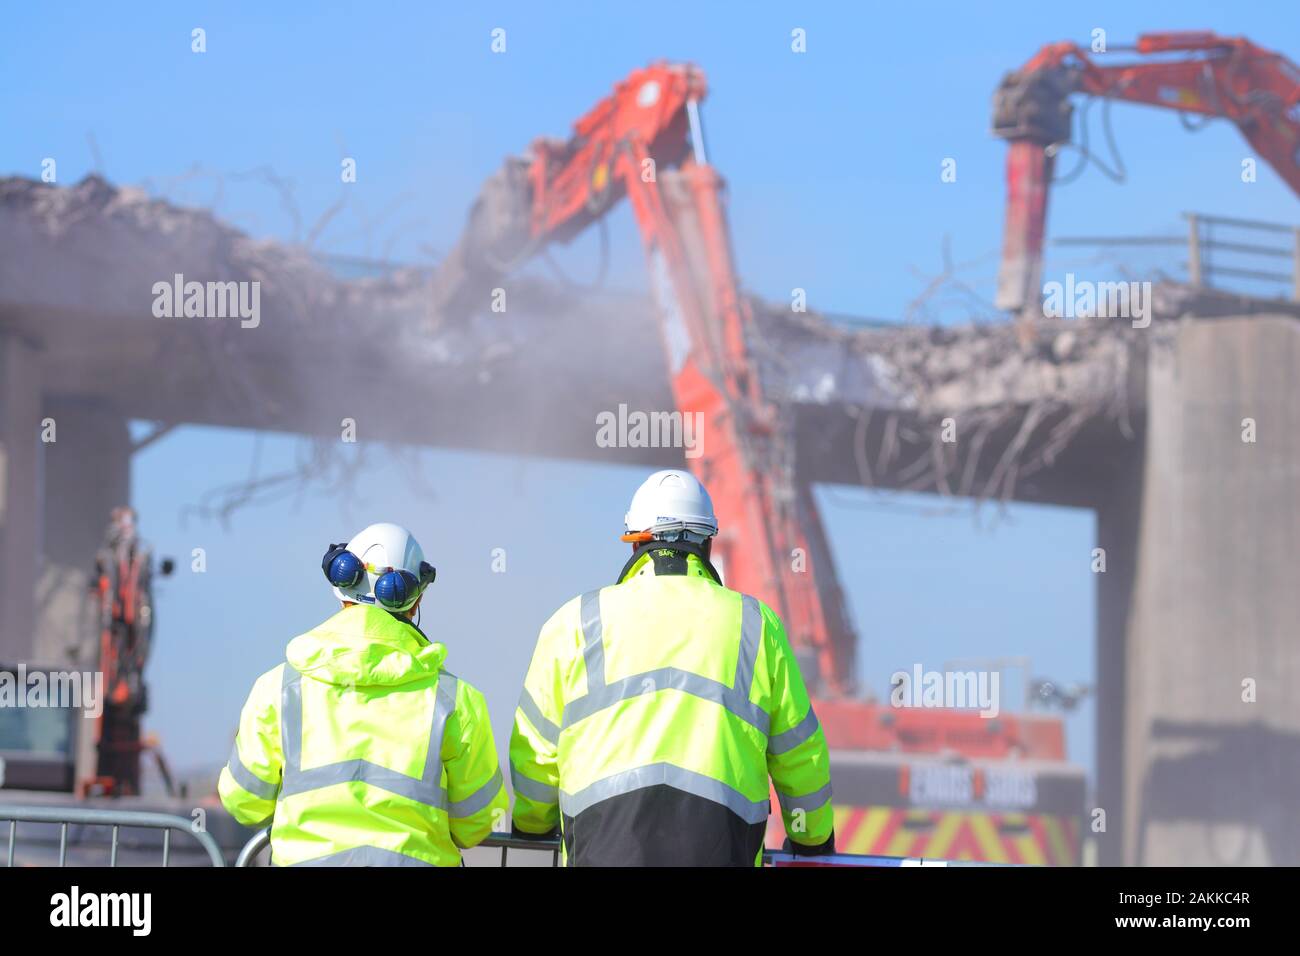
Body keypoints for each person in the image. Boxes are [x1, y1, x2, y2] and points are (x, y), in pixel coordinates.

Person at [509, 469, 835, 865]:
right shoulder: (756, 625)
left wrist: (533, 824)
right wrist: (812, 838)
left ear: (635, 542)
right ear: (708, 543)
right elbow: (799, 753)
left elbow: (537, 751)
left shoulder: (574, 622)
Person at [219, 522, 506, 866]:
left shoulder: (278, 689)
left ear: (341, 588)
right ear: (415, 601)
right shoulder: (455, 700)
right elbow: (476, 823)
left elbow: (244, 802)